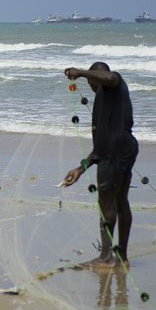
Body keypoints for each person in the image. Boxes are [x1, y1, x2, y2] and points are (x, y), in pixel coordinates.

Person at [61, 62, 139, 268]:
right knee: (121, 201)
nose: (91, 85)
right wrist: (81, 168)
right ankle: (121, 256)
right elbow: (100, 146)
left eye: (91, 80)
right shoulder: (102, 99)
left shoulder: (114, 83)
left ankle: (106, 257)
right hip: (120, 150)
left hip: (116, 153)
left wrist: (81, 72)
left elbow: (110, 77)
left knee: (107, 205)